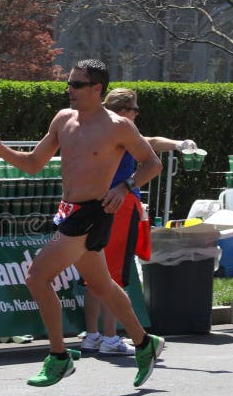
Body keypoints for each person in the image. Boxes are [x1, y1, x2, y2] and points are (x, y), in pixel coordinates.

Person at [0, 59, 165, 388]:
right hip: (70, 210)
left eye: (76, 85)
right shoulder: (63, 120)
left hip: (93, 213)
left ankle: (59, 356)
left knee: (36, 276)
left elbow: (152, 163)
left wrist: (125, 185)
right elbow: (33, 163)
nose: (69, 90)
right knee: (102, 285)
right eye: (69, 83)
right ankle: (145, 343)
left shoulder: (118, 126)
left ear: (96, 89)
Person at [80, 88, 196, 356]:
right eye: (134, 109)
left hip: (92, 202)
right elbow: (150, 150)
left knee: (93, 274)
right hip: (118, 206)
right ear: (123, 112)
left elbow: (151, 140)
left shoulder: (95, 128)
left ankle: (93, 335)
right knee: (114, 276)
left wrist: (178, 144)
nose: (137, 113)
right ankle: (110, 338)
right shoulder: (120, 131)